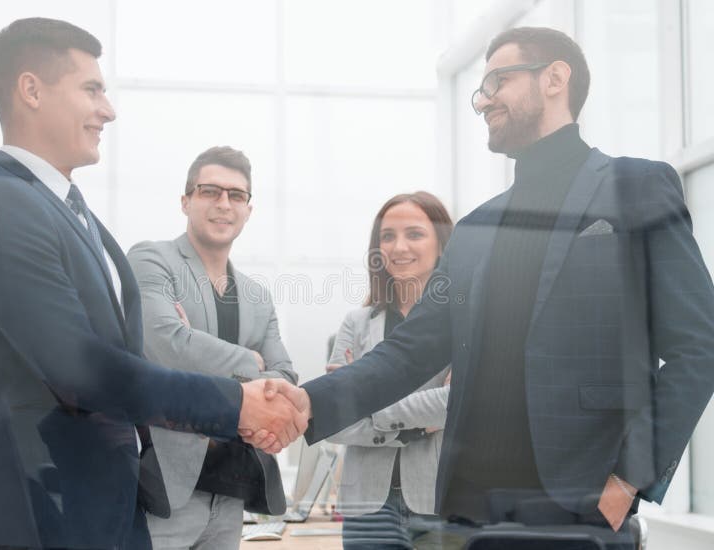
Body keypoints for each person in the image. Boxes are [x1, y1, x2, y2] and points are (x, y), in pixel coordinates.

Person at [252, 26, 714, 548]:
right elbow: (409, 351)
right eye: (479, 90)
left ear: (555, 78)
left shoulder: (636, 187)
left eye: (498, 81)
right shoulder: (475, 229)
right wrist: (307, 402)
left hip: (579, 508)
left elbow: (698, 347)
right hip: (468, 514)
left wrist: (629, 480)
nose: (483, 101)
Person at [0, 18, 304, 550]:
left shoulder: (70, 211)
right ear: (31, 90)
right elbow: (81, 371)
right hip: (34, 518)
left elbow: (126, 358)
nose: (108, 110)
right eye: (92, 89)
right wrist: (236, 404)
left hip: (106, 513)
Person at [127, 145, 297, 550]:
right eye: (210, 191)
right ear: (186, 201)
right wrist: (250, 360)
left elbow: (285, 379)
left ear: (248, 210)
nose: (224, 203)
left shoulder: (257, 297)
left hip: (232, 490)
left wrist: (197, 348)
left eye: (236, 195)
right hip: (164, 489)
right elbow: (165, 343)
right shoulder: (151, 259)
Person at [325, 191, 452, 550]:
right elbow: (333, 418)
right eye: (387, 236)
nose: (399, 247)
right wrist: (418, 426)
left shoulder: (464, 323)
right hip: (366, 505)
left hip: (438, 499)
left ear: (442, 245)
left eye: (414, 234)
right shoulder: (356, 324)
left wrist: (366, 402)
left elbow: (458, 404)